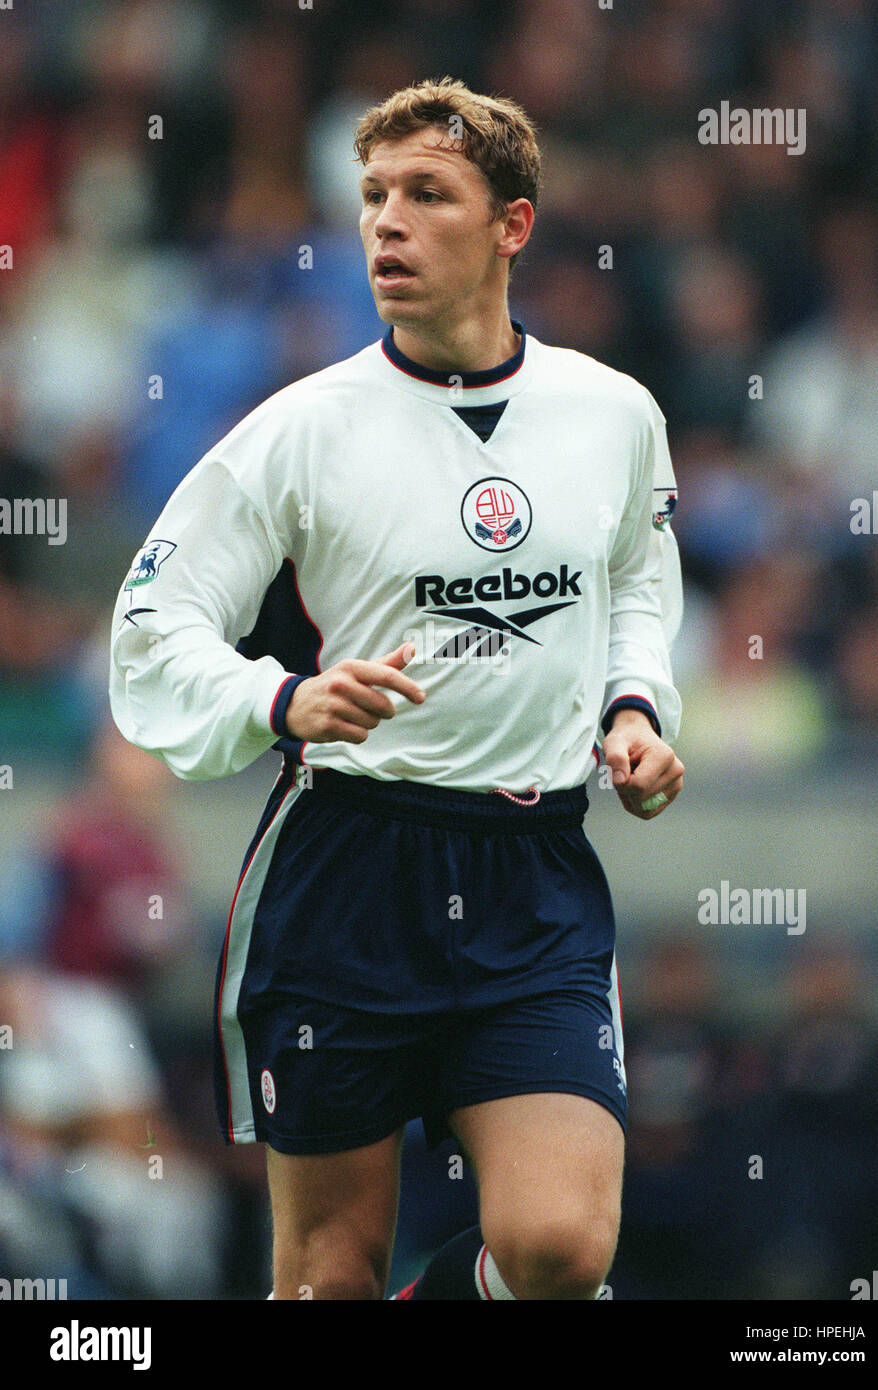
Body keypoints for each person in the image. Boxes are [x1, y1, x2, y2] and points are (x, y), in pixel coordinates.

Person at [109, 77, 685, 1301]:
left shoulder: (614, 415)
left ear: (512, 224)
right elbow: (153, 626)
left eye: (428, 194)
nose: (387, 223)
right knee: (328, 1274)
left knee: (559, 1252)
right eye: (373, 196)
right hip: (347, 875)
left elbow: (637, 580)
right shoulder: (298, 431)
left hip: (532, 872)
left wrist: (636, 711)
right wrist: (281, 701)